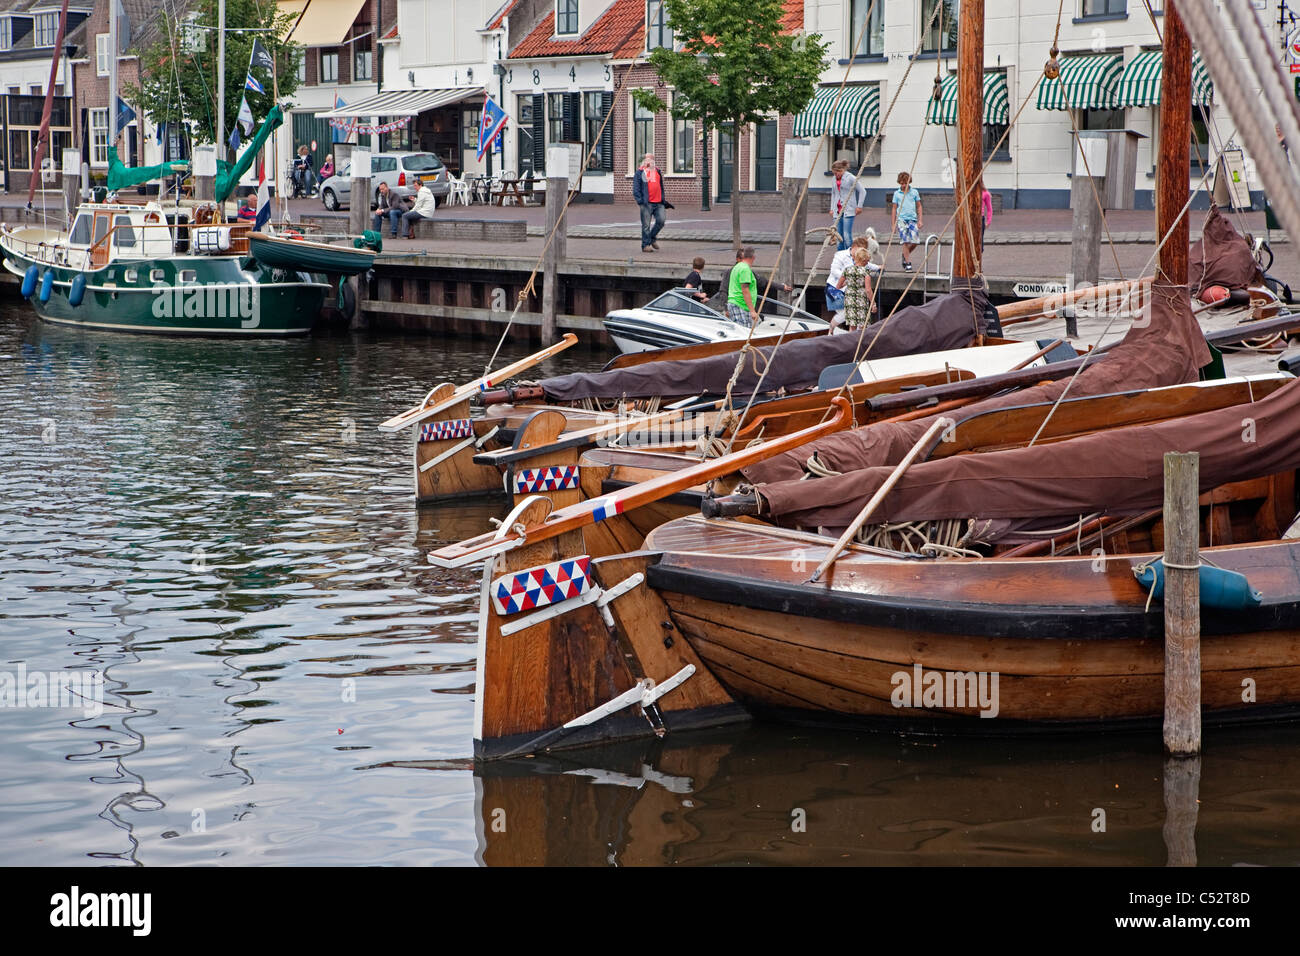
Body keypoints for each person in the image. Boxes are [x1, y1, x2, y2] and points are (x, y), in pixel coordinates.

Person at [826, 233, 878, 327]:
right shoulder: (840, 255)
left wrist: (878, 267)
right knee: (846, 313)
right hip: (835, 288)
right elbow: (834, 270)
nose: (862, 252)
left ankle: (856, 335)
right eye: (861, 250)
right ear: (854, 247)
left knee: (855, 313)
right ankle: (830, 330)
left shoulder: (859, 258)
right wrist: (849, 277)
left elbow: (867, 264)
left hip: (849, 290)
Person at [836, 244, 877, 328]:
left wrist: (850, 282)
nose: (867, 263)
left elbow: (838, 286)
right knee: (863, 326)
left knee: (852, 326)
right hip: (861, 300)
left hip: (849, 300)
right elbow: (868, 290)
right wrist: (873, 303)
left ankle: (851, 341)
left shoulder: (847, 270)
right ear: (864, 260)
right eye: (867, 261)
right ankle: (861, 341)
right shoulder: (866, 272)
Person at [632, 153, 667, 252]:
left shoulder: (657, 171)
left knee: (661, 221)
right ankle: (645, 245)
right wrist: (640, 201)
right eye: (648, 159)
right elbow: (636, 188)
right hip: (647, 203)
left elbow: (660, 186)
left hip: (659, 202)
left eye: (652, 159)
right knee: (646, 225)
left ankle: (651, 238)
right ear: (644, 161)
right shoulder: (640, 172)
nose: (650, 161)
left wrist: (662, 198)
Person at [829, 159, 864, 251]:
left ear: (841, 170)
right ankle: (840, 256)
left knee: (846, 235)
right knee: (838, 236)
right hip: (837, 211)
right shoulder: (833, 179)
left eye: (836, 173)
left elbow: (862, 191)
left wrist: (859, 206)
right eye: (833, 173)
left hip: (848, 210)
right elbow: (834, 193)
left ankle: (850, 256)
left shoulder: (850, 178)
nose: (835, 175)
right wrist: (832, 208)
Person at [891, 171, 923, 271]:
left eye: (905, 183)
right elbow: (894, 208)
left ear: (909, 182)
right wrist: (893, 224)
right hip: (901, 220)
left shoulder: (914, 192)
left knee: (916, 241)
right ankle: (908, 263)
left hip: (912, 219)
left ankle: (905, 254)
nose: (903, 185)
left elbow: (919, 206)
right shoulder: (897, 194)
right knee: (905, 241)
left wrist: (920, 220)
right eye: (901, 183)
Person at [726, 246, 759, 327]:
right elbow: (745, 290)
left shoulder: (737, 267)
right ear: (753, 257)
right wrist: (752, 311)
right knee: (744, 332)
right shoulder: (745, 269)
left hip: (735, 303)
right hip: (740, 305)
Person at [980, 178, 993, 253]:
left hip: (980, 218)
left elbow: (989, 209)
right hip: (970, 218)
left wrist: (988, 221)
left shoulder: (985, 193)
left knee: (980, 239)